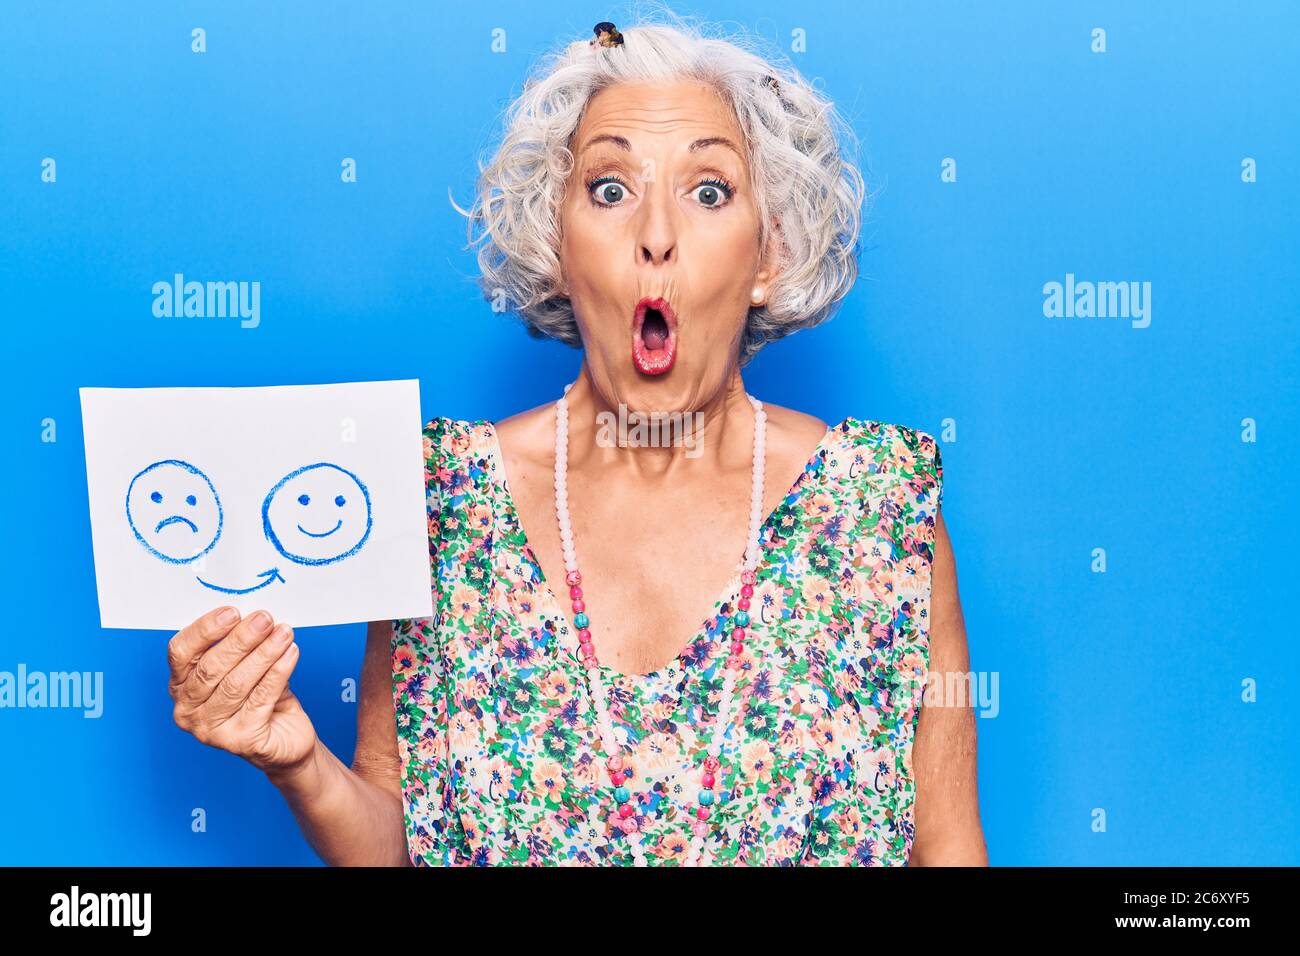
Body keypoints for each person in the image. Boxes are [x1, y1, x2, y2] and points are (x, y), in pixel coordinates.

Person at [167, 17, 987, 866]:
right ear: (557, 245)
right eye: (609, 188)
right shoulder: (441, 502)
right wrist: (295, 760)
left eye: (709, 190)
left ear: (768, 254)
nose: (656, 234)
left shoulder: (879, 515)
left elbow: (950, 846)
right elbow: (397, 851)